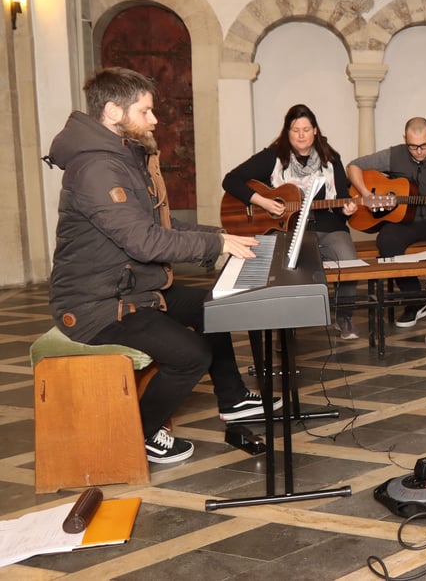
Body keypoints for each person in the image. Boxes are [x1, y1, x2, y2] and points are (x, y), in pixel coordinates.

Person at [45, 67, 279, 465]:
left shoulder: (121, 157)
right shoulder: (97, 169)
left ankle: (234, 399)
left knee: (214, 308)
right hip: (94, 305)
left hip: (131, 288)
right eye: (145, 111)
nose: (154, 120)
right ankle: (136, 432)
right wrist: (218, 243)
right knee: (190, 355)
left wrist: (225, 236)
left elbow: (161, 225)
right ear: (114, 111)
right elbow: (144, 240)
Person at [223, 104, 361, 339]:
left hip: (327, 227)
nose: (300, 135)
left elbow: (342, 197)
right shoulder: (273, 157)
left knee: (348, 259)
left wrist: (347, 209)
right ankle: (287, 325)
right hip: (286, 229)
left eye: (306, 129)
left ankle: (344, 316)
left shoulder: (331, 158)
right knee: (286, 266)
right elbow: (231, 180)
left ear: (315, 130)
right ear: (287, 131)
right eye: (295, 130)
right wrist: (263, 202)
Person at [346, 117, 426, 327]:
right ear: (405, 140)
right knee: (386, 240)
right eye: (413, 146)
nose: (418, 151)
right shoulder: (394, 154)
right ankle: (415, 301)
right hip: (404, 223)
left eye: (424, 146)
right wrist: (365, 194)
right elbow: (353, 166)